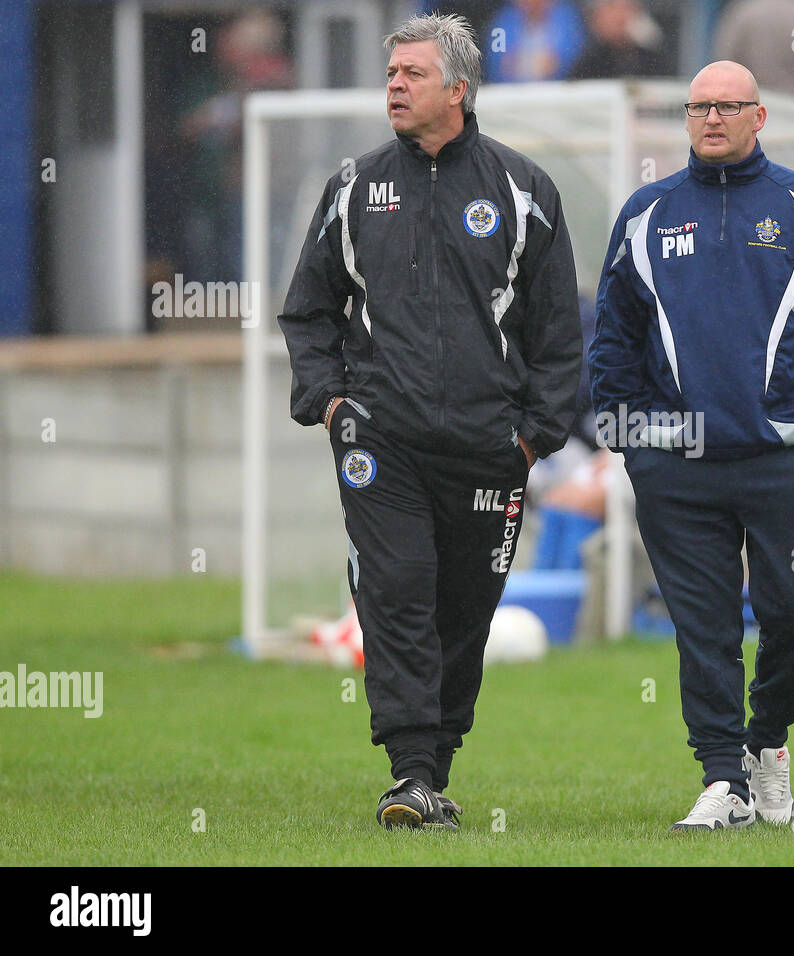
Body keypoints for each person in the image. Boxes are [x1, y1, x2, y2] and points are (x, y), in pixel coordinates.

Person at [277, 13, 582, 830]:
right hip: (380, 442)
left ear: (458, 87)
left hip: (491, 449)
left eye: (412, 74)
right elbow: (308, 312)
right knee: (398, 588)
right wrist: (332, 405)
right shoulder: (352, 187)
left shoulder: (525, 192)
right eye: (390, 75)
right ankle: (409, 770)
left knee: (463, 612)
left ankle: (430, 776)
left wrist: (534, 437)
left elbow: (559, 335)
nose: (395, 87)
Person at [589, 61, 794, 830]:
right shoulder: (647, 214)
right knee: (703, 628)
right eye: (699, 106)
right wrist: (632, 437)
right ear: (686, 118)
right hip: (677, 467)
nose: (711, 118)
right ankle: (723, 780)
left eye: (728, 106)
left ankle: (768, 741)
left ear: (759, 117)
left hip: (788, 458)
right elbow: (612, 334)